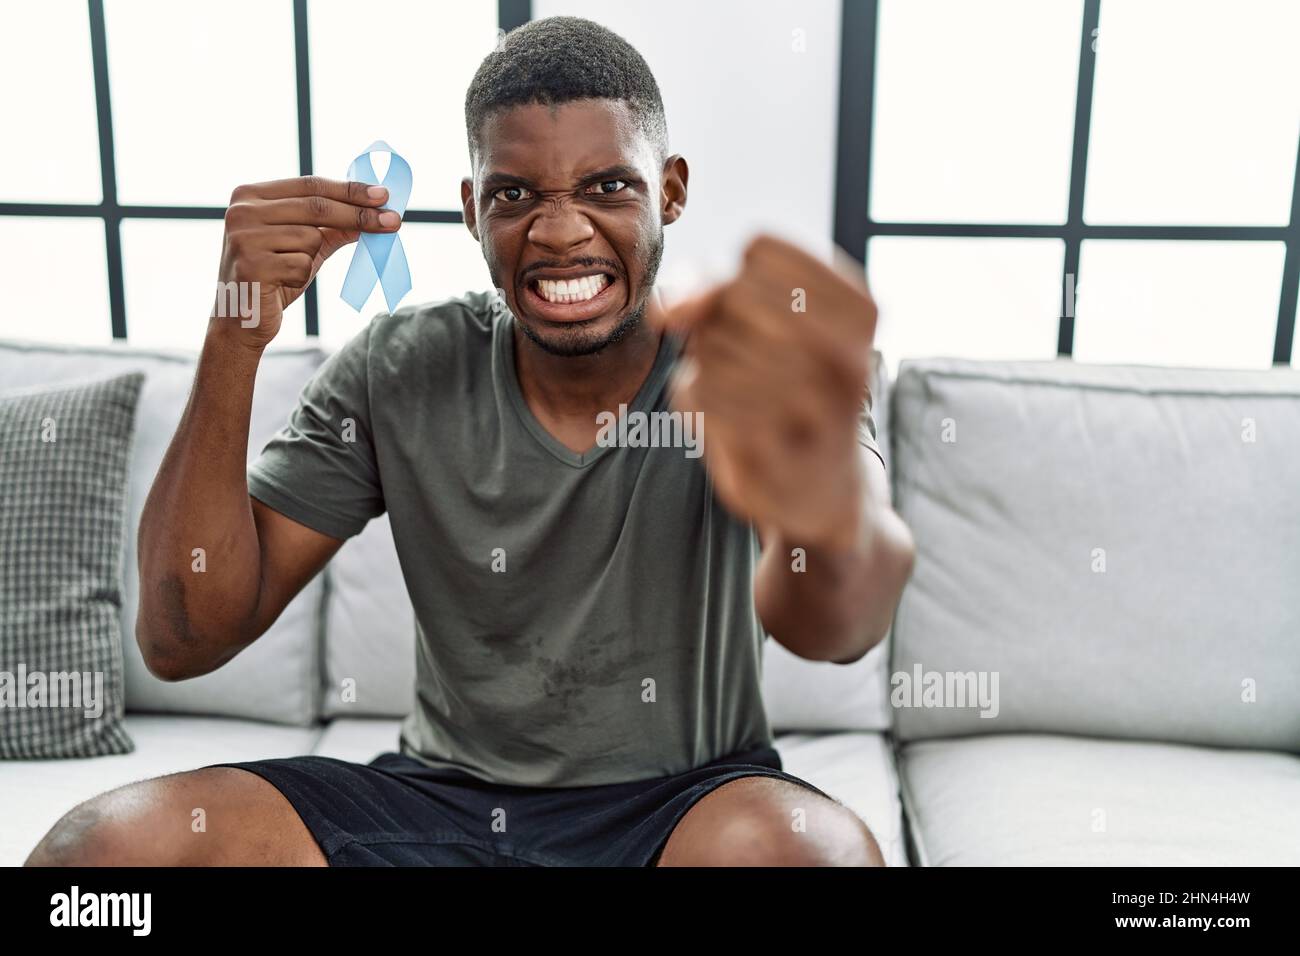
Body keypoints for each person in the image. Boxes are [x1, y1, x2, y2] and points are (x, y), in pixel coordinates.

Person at [27, 16, 914, 867]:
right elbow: (183, 641)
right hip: (439, 804)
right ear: (470, 208)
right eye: (516, 194)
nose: (561, 232)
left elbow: (840, 628)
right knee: (100, 855)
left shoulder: (750, 362)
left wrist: (823, 502)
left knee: (815, 853)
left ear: (671, 189)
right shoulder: (399, 369)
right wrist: (235, 334)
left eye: (609, 186)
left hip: (687, 807)